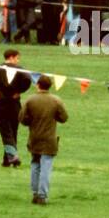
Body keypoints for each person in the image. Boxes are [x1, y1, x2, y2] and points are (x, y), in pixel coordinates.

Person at [19, 70, 68, 206]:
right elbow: (64, 118)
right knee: (46, 167)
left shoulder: (30, 100)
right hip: (49, 139)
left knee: (35, 165)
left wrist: (31, 121)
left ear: (38, 85)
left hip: (34, 137)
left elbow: (22, 119)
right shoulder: (56, 100)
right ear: (50, 86)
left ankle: (35, 193)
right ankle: (42, 195)